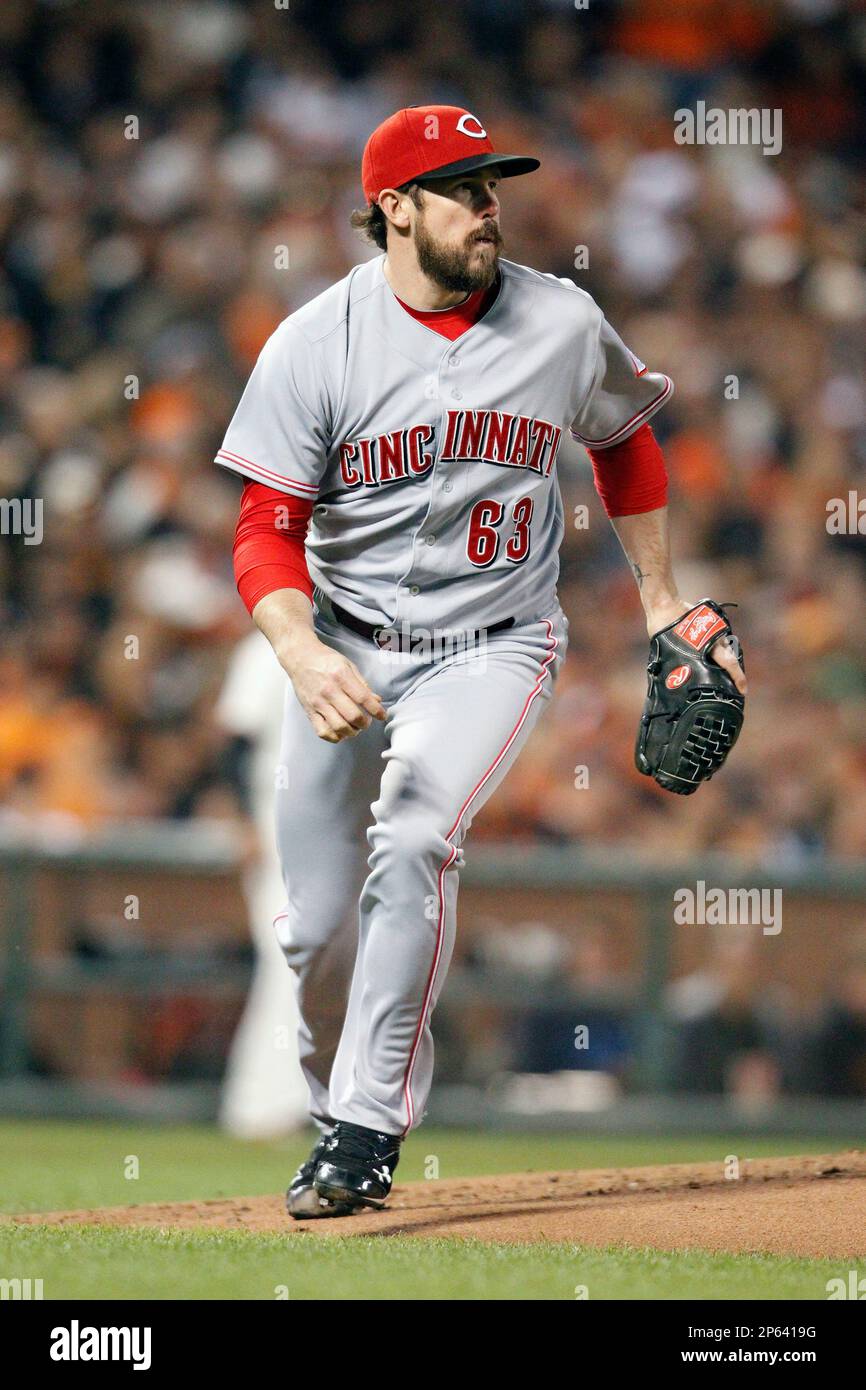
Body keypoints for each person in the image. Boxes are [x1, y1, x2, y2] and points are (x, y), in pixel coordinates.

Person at [216, 104, 746, 1217]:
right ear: (393, 209)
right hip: (344, 649)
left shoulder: (559, 320)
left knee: (416, 831)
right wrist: (299, 649)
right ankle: (332, 1110)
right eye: (460, 187)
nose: (487, 205)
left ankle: (365, 1128)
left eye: (492, 184)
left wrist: (659, 598)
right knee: (311, 931)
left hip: (493, 644)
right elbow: (263, 527)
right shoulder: (316, 340)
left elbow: (623, 438)